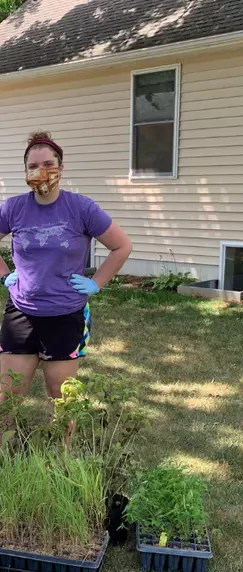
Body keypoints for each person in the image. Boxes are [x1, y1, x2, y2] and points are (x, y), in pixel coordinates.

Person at [0, 132, 132, 400]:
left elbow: (122, 246)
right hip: (21, 311)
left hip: (65, 314)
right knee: (8, 396)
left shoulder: (81, 208)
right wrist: (4, 275)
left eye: (48, 164)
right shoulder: (13, 208)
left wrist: (96, 283)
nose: (41, 171)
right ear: (25, 170)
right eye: (33, 166)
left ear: (60, 167)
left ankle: (63, 445)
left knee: (62, 398)